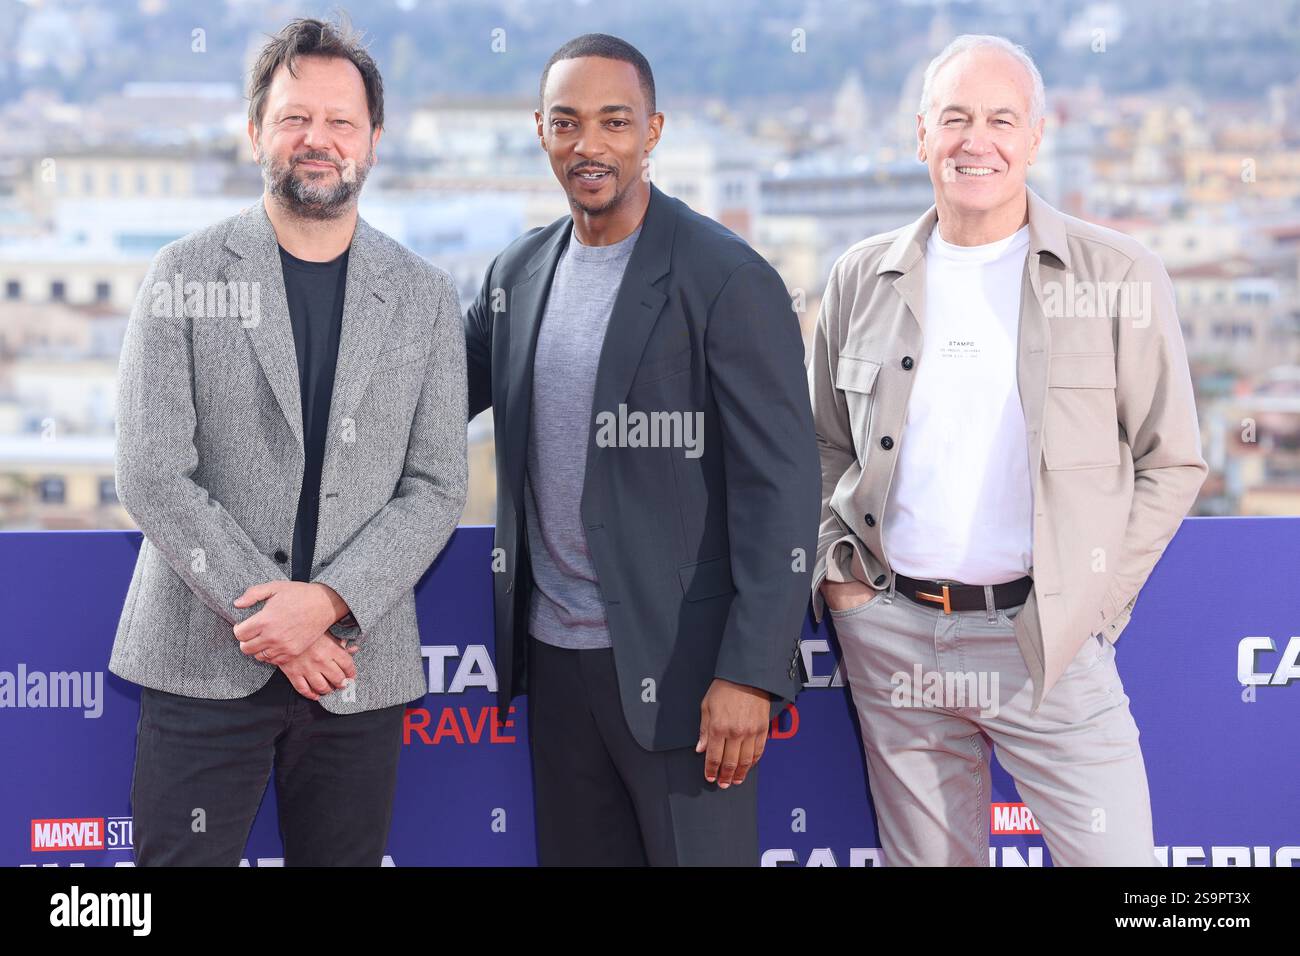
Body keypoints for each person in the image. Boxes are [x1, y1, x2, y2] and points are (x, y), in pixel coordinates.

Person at [809, 34, 1207, 866]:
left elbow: (1172, 461)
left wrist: (1092, 606)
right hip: (895, 639)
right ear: (921, 134)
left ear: (1036, 135)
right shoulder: (857, 278)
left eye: (999, 119)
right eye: (954, 119)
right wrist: (842, 583)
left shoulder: (1119, 274)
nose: (974, 141)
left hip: (1046, 645)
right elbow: (821, 446)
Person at [109, 17, 467, 866]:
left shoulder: (422, 297)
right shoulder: (185, 273)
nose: (319, 140)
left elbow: (437, 486)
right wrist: (276, 614)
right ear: (255, 132)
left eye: (341, 122)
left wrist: (331, 602)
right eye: (295, 117)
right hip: (202, 661)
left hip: (356, 672)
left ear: (374, 141)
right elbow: (153, 471)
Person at [464, 33, 820, 866]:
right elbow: (425, 401)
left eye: (614, 122)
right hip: (556, 667)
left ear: (653, 132)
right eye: (567, 122)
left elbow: (784, 487)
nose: (589, 145)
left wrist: (752, 674)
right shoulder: (515, 276)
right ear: (541, 130)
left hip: (692, 678)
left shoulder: (726, 278)